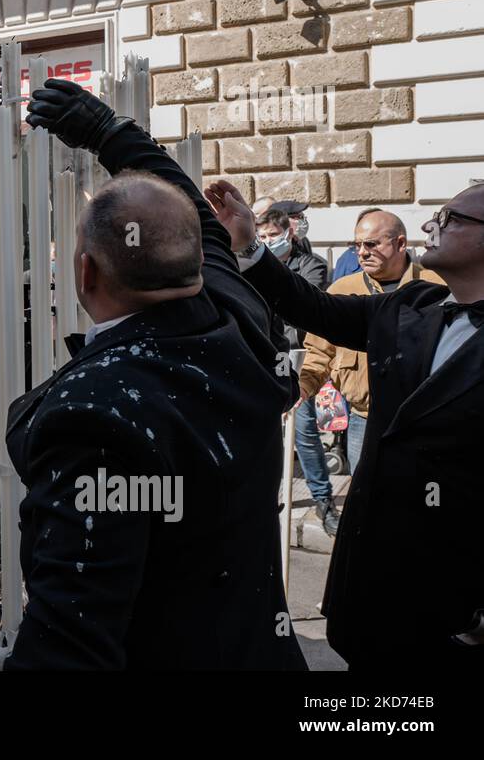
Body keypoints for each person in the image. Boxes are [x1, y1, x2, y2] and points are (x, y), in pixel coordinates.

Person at [4, 79, 304, 670]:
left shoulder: (95, 414)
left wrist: (103, 131)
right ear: (198, 258)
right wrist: (107, 133)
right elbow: (198, 219)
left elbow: (74, 629)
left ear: (85, 273)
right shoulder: (240, 318)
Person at [206, 177, 484, 669]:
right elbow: (316, 308)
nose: (429, 224)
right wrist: (249, 245)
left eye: (450, 219)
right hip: (376, 580)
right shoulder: (414, 304)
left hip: (454, 598)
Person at [298, 210, 441, 475]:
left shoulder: (436, 286)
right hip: (363, 420)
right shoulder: (341, 290)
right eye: (358, 245)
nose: (362, 252)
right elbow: (318, 349)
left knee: (423, 497)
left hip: (423, 419)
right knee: (365, 496)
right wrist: (303, 386)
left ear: (400, 244)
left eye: (372, 244)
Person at [258, 207, 337, 535]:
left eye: (272, 236)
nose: (266, 242)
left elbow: (301, 307)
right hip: (262, 355)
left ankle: (324, 500)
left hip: (295, 359)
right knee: (264, 433)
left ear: (288, 234)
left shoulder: (311, 265)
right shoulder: (252, 266)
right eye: (260, 237)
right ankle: (267, 497)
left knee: (302, 432)